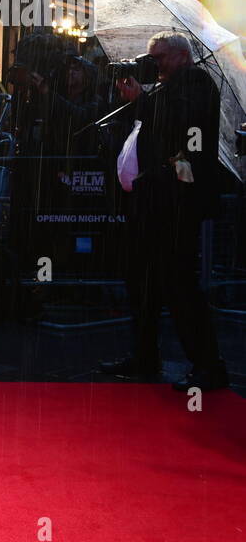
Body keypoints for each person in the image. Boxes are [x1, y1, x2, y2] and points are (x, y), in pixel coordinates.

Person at [98, 32, 229, 391]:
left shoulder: (197, 84)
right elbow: (156, 126)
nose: (154, 64)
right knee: (141, 281)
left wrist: (146, 101)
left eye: (159, 57)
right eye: (151, 57)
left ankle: (208, 366)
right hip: (152, 201)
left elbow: (186, 139)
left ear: (181, 56)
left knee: (180, 284)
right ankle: (144, 354)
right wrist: (137, 100)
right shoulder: (166, 89)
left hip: (177, 205)